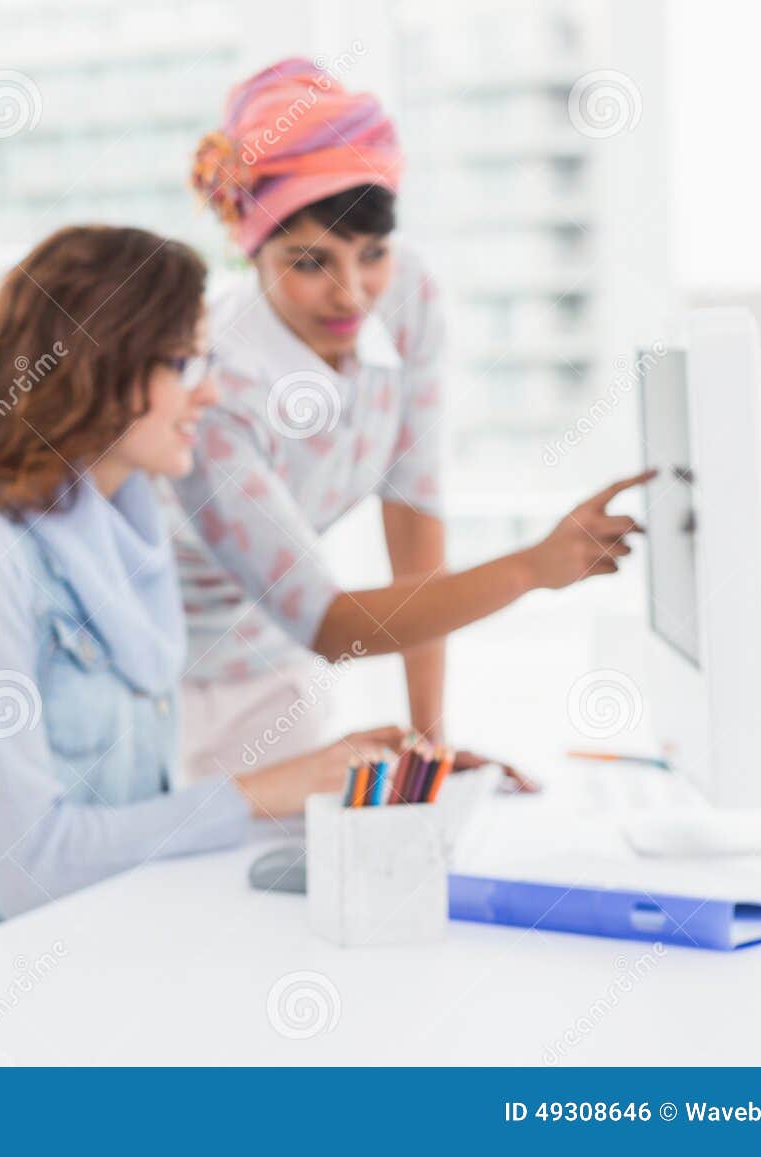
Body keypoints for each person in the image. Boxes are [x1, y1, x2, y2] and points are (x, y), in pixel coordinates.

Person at [0, 225, 404, 943]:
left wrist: (340, 780)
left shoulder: (123, 537)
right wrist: (268, 790)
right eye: (179, 361)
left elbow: (129, 823)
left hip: (97, 957)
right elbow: (29, 867)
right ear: (91, 367)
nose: (209, 389)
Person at [174, 57, 651, 784]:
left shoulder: (408, 299)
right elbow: (334, 627)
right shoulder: (219, 387)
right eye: (309, 261)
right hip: (170, 688)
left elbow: (414, 517)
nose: (351, 292)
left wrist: (432, 744)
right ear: (252, 251)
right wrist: (532, 567)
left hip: (281, 666)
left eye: (371, 254)